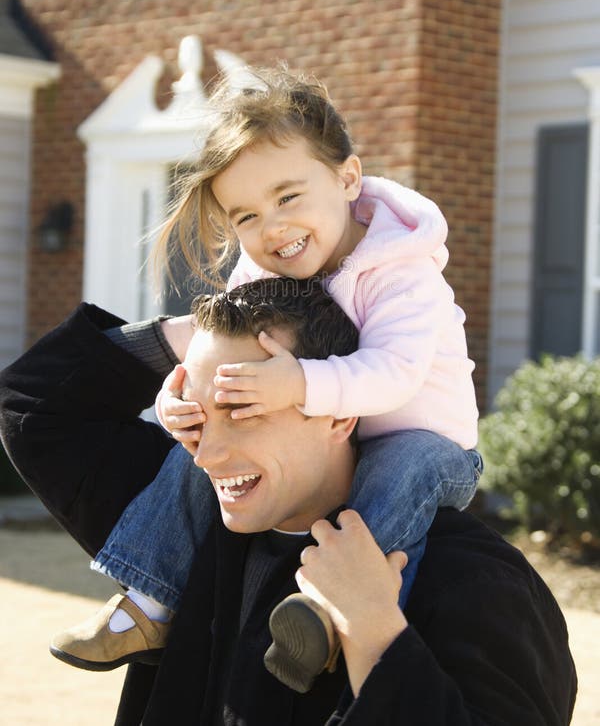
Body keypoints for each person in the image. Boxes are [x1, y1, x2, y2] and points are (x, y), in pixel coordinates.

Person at [47, 66, 483, 690]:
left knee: (398, 469)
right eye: (245, 216)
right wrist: (183, 404)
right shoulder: (259, 271)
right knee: (205, 458)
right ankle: (149, 601)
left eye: (287, 197)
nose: (271, 228)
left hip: (430, 445)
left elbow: (395, 375)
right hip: (333, 435)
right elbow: (219, 350)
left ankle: (331, 613)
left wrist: (296, 383)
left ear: (347, 178)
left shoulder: (400, 269)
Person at [0, 280, 577, 725]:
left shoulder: (471, 579)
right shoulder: (178, 528)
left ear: (338, 410)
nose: (207, 455)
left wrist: (375, 632)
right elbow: (31, 404)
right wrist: (209, 331)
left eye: (244, 410)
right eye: (196, 415)